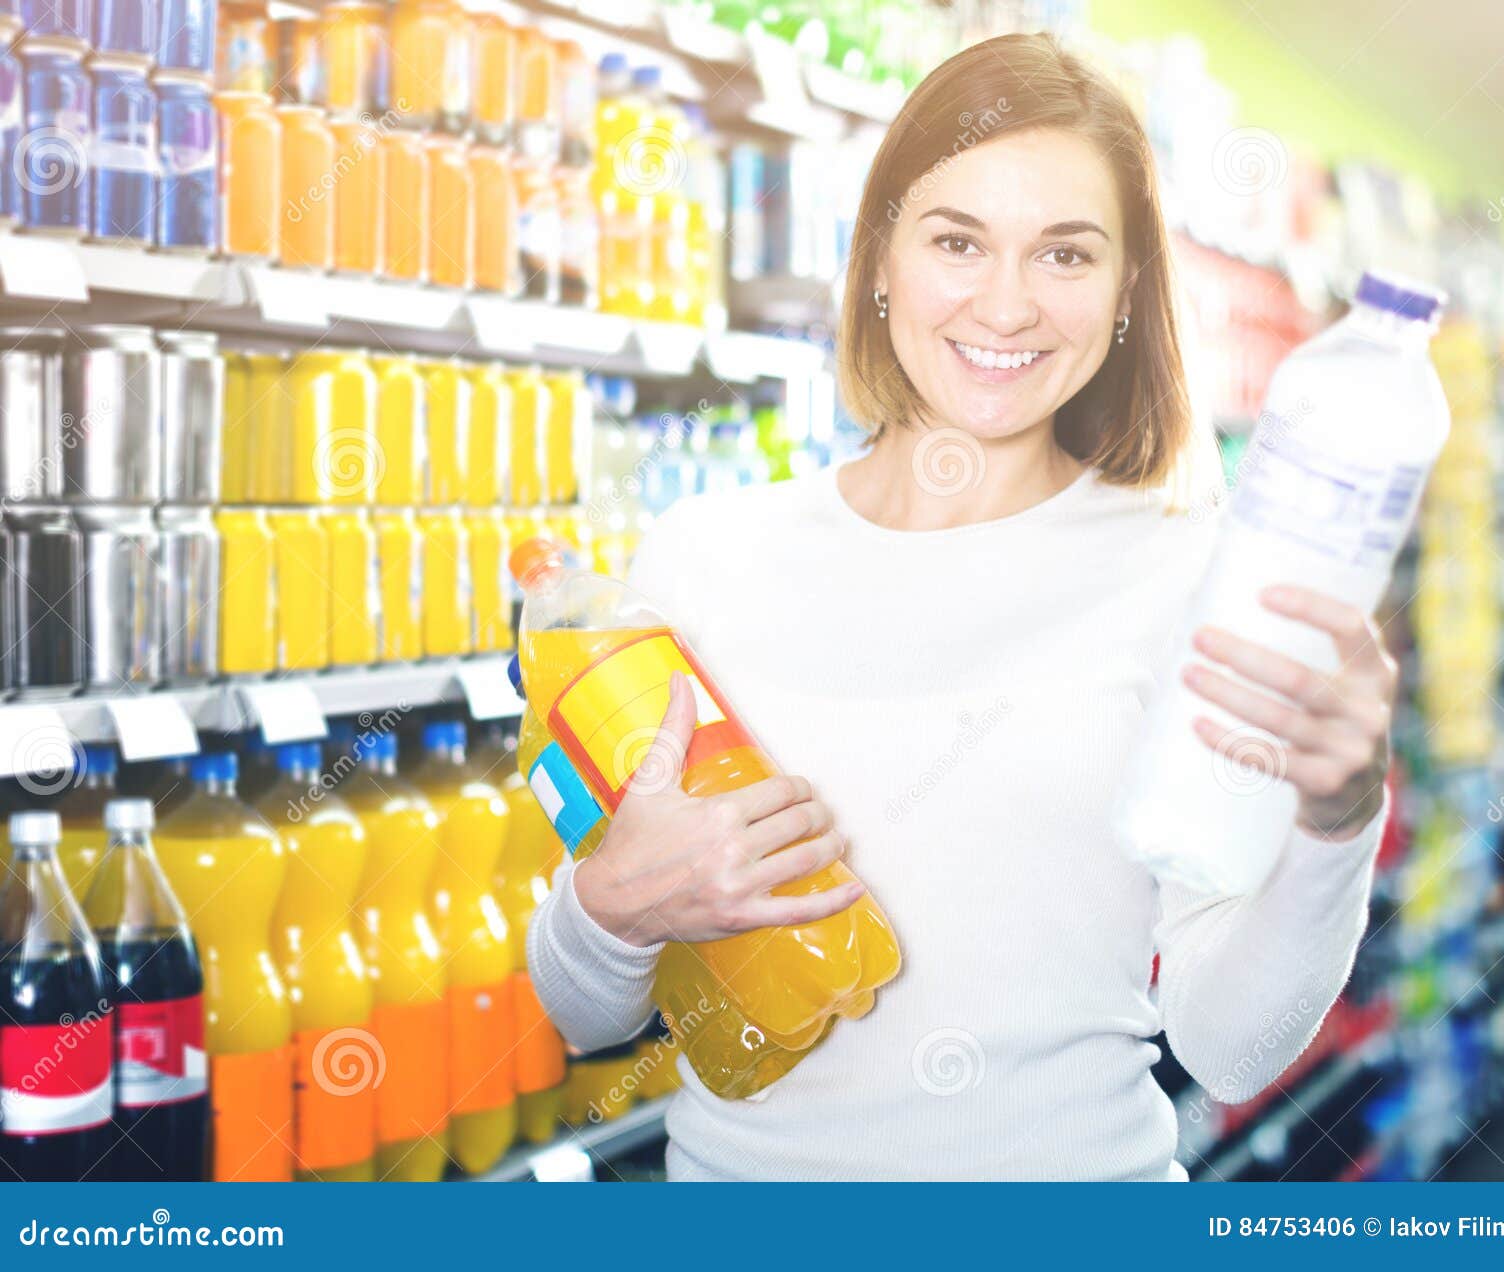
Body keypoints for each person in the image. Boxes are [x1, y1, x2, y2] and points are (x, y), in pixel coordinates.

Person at [528, 33, 1395, 1181]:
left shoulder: (1189, 576)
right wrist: (609, 910)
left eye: (1065, 255)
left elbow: (1230, 1049)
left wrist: (1335, 821)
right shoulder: (703, 557)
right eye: (956, 241)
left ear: (1128, 287)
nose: (1005, 303)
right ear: (879, 253)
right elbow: (584, 1019)